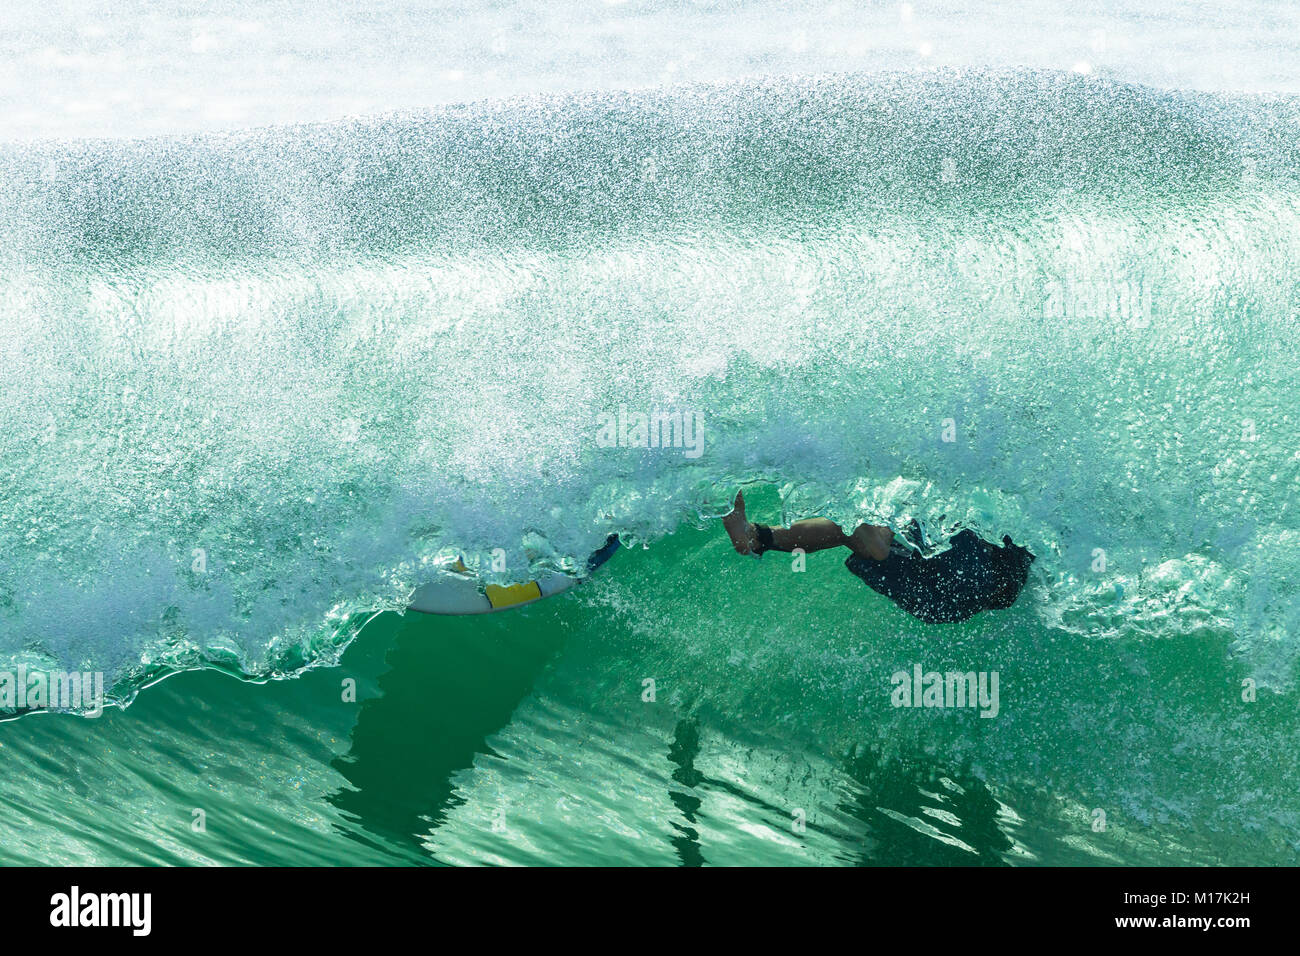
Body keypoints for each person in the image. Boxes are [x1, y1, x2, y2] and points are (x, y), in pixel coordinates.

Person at [722, 491, 1033, 624]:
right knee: (856, 532)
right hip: (957, 602)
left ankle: (756, 537)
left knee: (860, 529)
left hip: (946, 590)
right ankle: (756, 537)